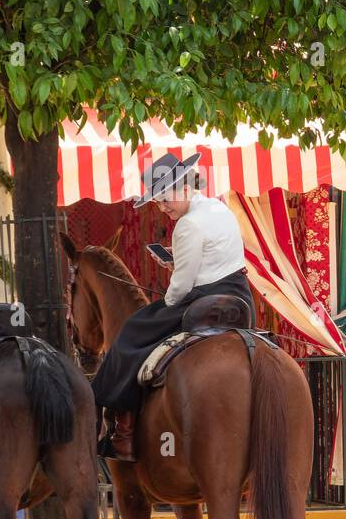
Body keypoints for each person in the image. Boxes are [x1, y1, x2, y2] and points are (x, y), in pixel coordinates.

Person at [91, 153, 251, 461]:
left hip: (203, 302)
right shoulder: (219, 207)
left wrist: (165, 302)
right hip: (240, 297)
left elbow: (181, 287)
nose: (163, 208)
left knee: (133, 330)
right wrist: (177, 259)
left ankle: (122, 432)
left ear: (183, 186)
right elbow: (213, 257)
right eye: (158, 203)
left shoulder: (187, 225)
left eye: (165, 200)